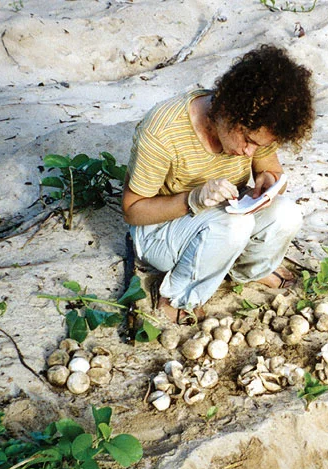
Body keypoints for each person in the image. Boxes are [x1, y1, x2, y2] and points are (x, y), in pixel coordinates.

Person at [122, 45, 315, 323]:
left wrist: (267, 183)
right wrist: (192, 199)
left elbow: (272, 172)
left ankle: (247, 270)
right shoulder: (163, 130)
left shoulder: (258, 124)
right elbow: (132, 211)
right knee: (235, 225)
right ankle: (177, 294)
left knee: (287, 213)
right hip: (160, 229)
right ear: (227, 110)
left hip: (222, 218)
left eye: (259, 145)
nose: (250, 152)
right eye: (247, 141)